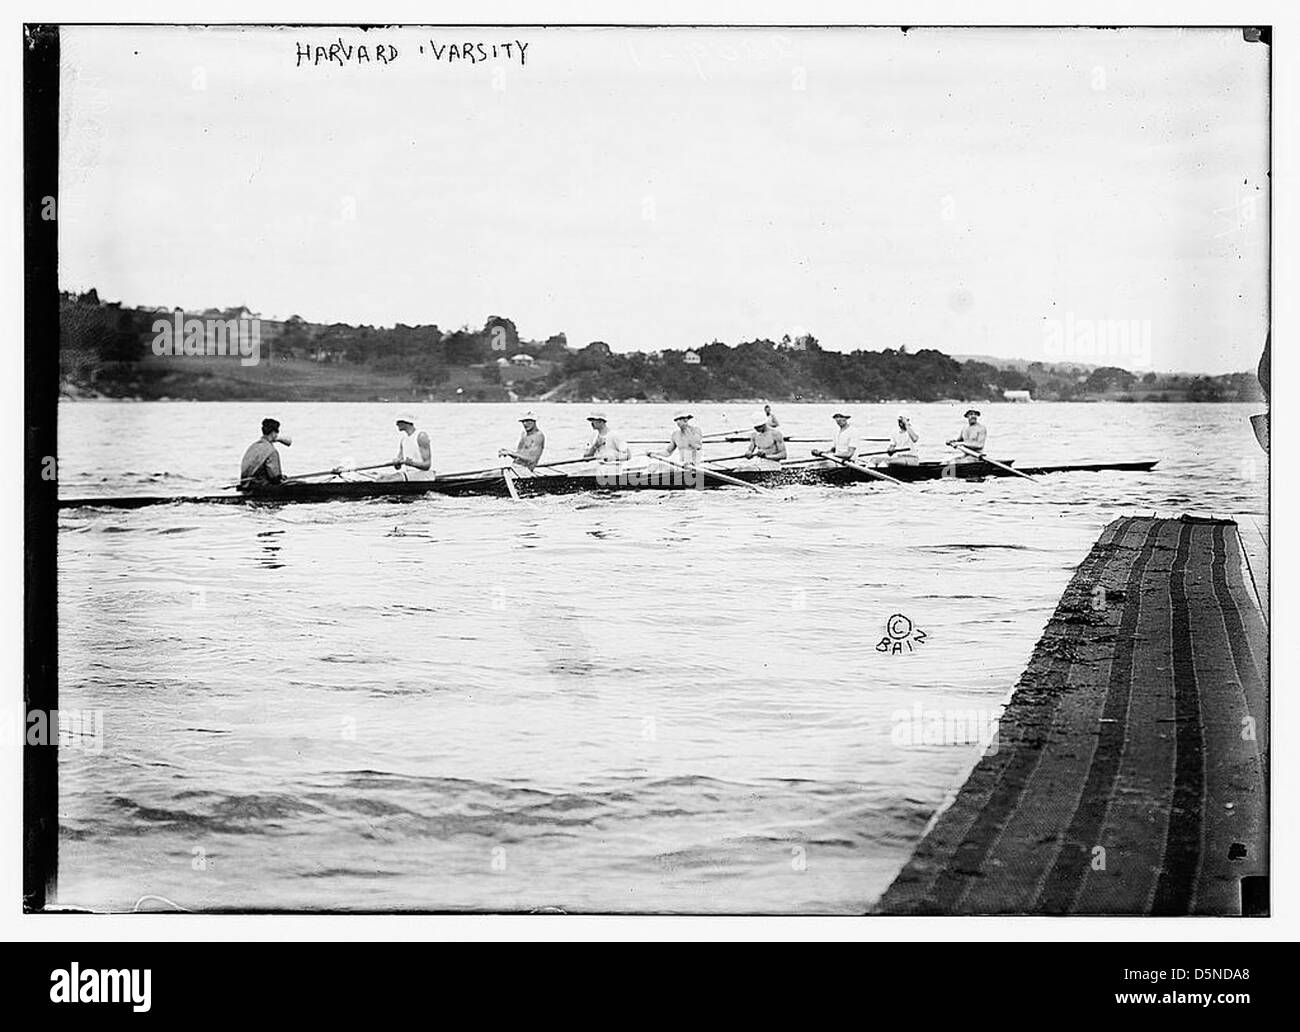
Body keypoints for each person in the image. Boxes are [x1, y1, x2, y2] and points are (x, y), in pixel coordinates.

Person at [239, 418, 291, 490]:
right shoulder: (272, 451)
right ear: (273, 433)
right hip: (261, 487)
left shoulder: (253, 447)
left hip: (247, 485)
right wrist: (281, 478)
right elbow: (274, 478)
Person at [381, 412, 435, 481]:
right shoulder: (403, 440)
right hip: (410, 475)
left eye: (398, 422)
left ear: (406, 422)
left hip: (423, 475)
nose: (396, 424)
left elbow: (427, 465)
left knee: (387, 479)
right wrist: (396, 463)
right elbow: (398, 467)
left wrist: (412, 464)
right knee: (381, 477)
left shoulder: (421, 436)